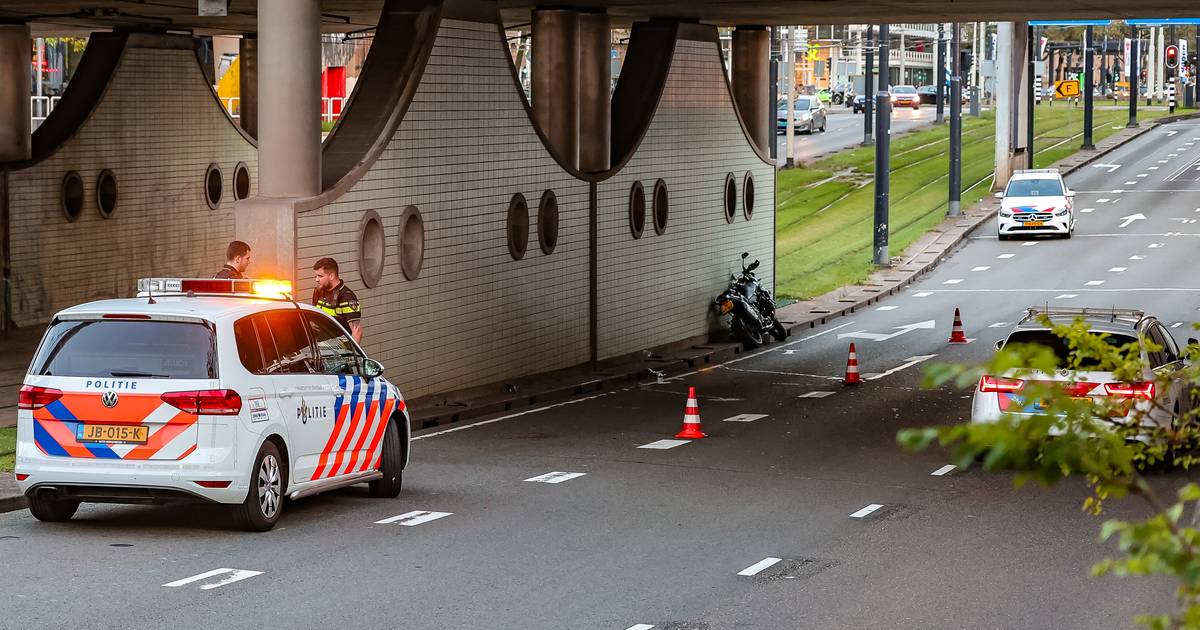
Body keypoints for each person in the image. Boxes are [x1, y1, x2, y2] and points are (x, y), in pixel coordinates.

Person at [311, 257, 362, 343]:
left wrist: (353, 355)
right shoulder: (318, 291)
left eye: (320, 276)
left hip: (338, 352)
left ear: (331, 276)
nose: (316, 279)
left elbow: (357, 330)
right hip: (319, 349)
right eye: (316, 276)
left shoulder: (346, 297)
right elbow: (313, 313)